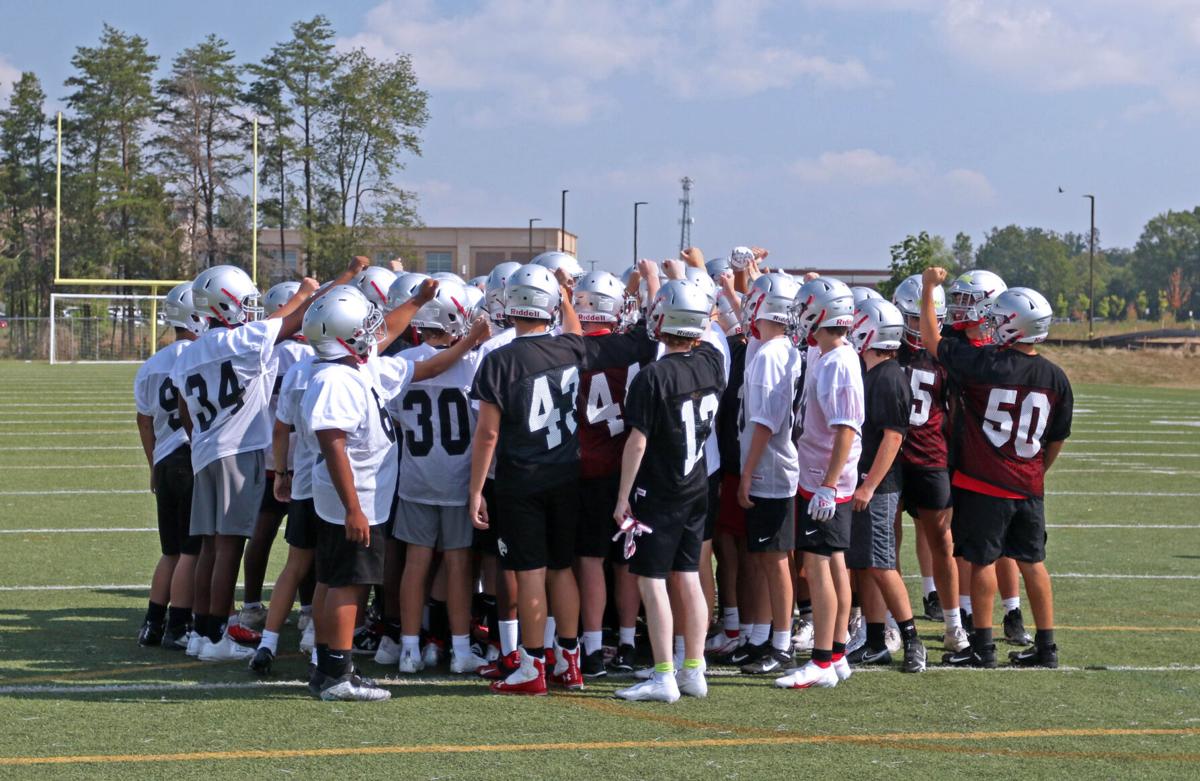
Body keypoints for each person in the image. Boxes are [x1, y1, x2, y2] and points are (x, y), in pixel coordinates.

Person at [300, 284, 488, 700]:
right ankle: (338, 675)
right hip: (354, 497)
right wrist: (353, 508)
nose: (375, 332)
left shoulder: (354, 364)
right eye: (364, 326)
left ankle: (329, 667)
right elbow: (334, 444)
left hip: (361, 495)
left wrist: (418, 300)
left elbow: (402, 353)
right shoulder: (336, 379)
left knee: (340, 582)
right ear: (345, 335)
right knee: (348, 584)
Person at [171, 263, 327, 662]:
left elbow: (186, 413)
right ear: (226, 305)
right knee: (228, 549)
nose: (252, 310)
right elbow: (288, 321)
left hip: (205, 451)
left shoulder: (189, 353)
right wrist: (321, 286)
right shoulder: (242, 341)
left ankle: (200, 633)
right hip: (237, 451)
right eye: (245, 303)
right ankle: (218, 636)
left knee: (209, 547)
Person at [920, 269, 1071, 669]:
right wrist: (1036, 472)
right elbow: (1056, 439)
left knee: (983, 561)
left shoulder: (986, 363)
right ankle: (1047, 647)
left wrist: (927, 290)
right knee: (1033, 563)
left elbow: (933, 342)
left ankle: (983, 647)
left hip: (984, 481)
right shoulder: (1056, 377)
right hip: (1028, 485)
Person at [612, 280, 726, 703]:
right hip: (697, 484)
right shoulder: (712, 362)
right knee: (689, 575)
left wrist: (623, 496)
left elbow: (637, 442)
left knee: (651, 579)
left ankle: (663, 675)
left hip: (660, 490)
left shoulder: (653, 376)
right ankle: (693, 668)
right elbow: (710, 330)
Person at [389, 279, 490, 675]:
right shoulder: (472, 362)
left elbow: (397, 421)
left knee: (415, 564)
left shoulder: (404, 361)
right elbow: (484, 424)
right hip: (459, 478)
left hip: (415, 476)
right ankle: (461, 648)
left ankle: (410, 648)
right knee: (458, 566)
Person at [775, 277, 862, 691]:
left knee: (819, 565)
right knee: (834, 563)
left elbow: (846, 429)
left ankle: (823, 659)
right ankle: (839, 651)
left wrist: (828, 484)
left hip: (825, 479)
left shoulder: (840, 362)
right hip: (821, 475)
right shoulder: (829, 353)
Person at [944, 270, 1032, 646]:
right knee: (966, 540)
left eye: (967, 300)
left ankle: (1012, 610)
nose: (959, 308)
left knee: (1003, 545)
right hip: (962, 448)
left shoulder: (1002, 352)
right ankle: (965, 611)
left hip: (994, 454)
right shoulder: (954, 342)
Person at [571, 269, 650, 678]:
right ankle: (626, 643)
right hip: (625, 467)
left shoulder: (566, 348)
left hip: (583, 466)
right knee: (625, 562)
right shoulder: (635, 348)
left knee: (588, 560)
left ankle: (591, 647)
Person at [844, 298, 926, 672]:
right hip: (865, 481)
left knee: (881, 564)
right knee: (864, 563)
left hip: (878, 485)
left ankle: (912, 639)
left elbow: (893, 438)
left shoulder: (890, 377)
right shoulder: (873, 371)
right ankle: (876, 639)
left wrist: (868, 486)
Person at [892, 274, 969, 653]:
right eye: (913, 318)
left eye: (927, 319)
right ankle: (889, 620)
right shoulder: (887, 350)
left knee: (943, 541)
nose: (920, 328)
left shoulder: (945, 357)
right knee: (885, 542)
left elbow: (954, 413)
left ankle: (954, 623)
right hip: (891, 459)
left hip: (930, 457)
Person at [735, 273, 803, 676]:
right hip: (770, 463)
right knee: (764, 556)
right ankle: (763, 636)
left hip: (770, 467)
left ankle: (782, 644)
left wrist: (746, 473)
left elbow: (764, 422)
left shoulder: (771, 355)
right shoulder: (775, 349)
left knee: (775, 559)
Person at [133, 282, 206, 649]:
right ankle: (179, 626)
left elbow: (143, 420)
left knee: (169, 552)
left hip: (164, 459)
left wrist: (152, 465)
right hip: (192, 456)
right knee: (191, 553)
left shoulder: (151, 364)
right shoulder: (205, 355)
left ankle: (152, 624)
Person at [238, 281, 312, 635]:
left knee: (261, 535)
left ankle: (251, 605)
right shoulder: (310, 355)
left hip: (269, 456)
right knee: (306, 542)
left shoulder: (261, 353)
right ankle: (310, 610)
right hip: (306, 458)